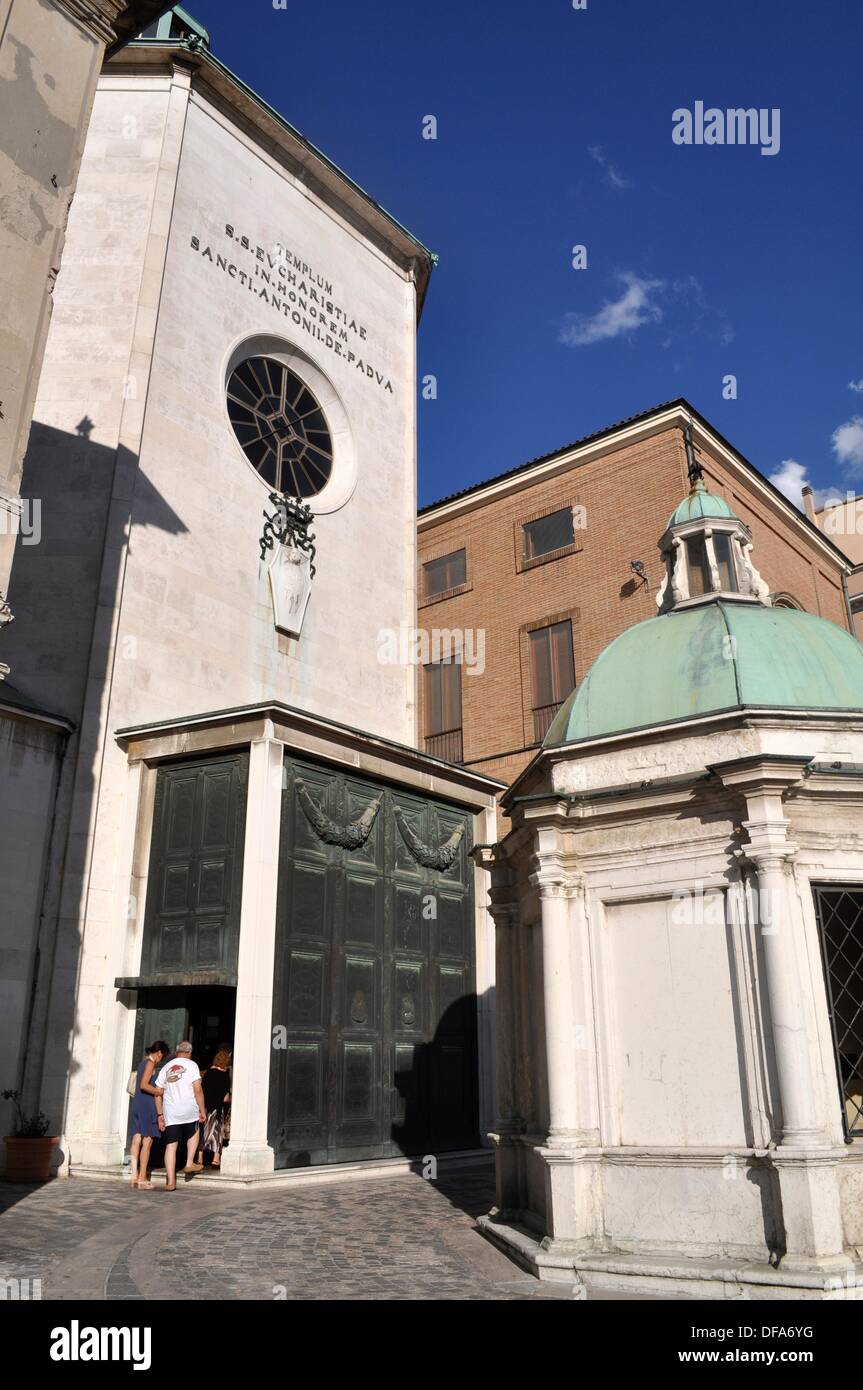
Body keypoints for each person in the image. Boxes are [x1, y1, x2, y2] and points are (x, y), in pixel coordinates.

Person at [153, 1041, 206, 1191]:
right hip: (189, 1108)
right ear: (189, 1052)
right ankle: (189, 1163)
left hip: (171, 1111)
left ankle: (170, 1181)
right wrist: (202, 1110)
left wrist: (160, 1115)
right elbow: (198, 1089)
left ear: (177, 1052)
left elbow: (158, 1093)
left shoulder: (165, 1067)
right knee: (194, 1131)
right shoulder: (192, 1065)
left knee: (171, 1146)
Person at [129, 1040, 169, 1190]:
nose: (161, 1059)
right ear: (159, 1053)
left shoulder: (142, 1063)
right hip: (146, 1104)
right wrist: (158, 1091)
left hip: (137, 1103)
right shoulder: (151, 1063)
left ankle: (134, 1175)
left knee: (137, 1138)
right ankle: (142, 1178)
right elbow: (144, 1085)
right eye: (162, 1057)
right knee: (148, 1141)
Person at [200, 1046, 232, 1168]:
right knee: (217, 1133)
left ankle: (199, 1158)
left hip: (206, 1108)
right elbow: (225, 1098)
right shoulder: (225, 1077)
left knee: (203, 1131)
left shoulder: (207, 1074)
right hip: (218, 1109)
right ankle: (215, 1158)